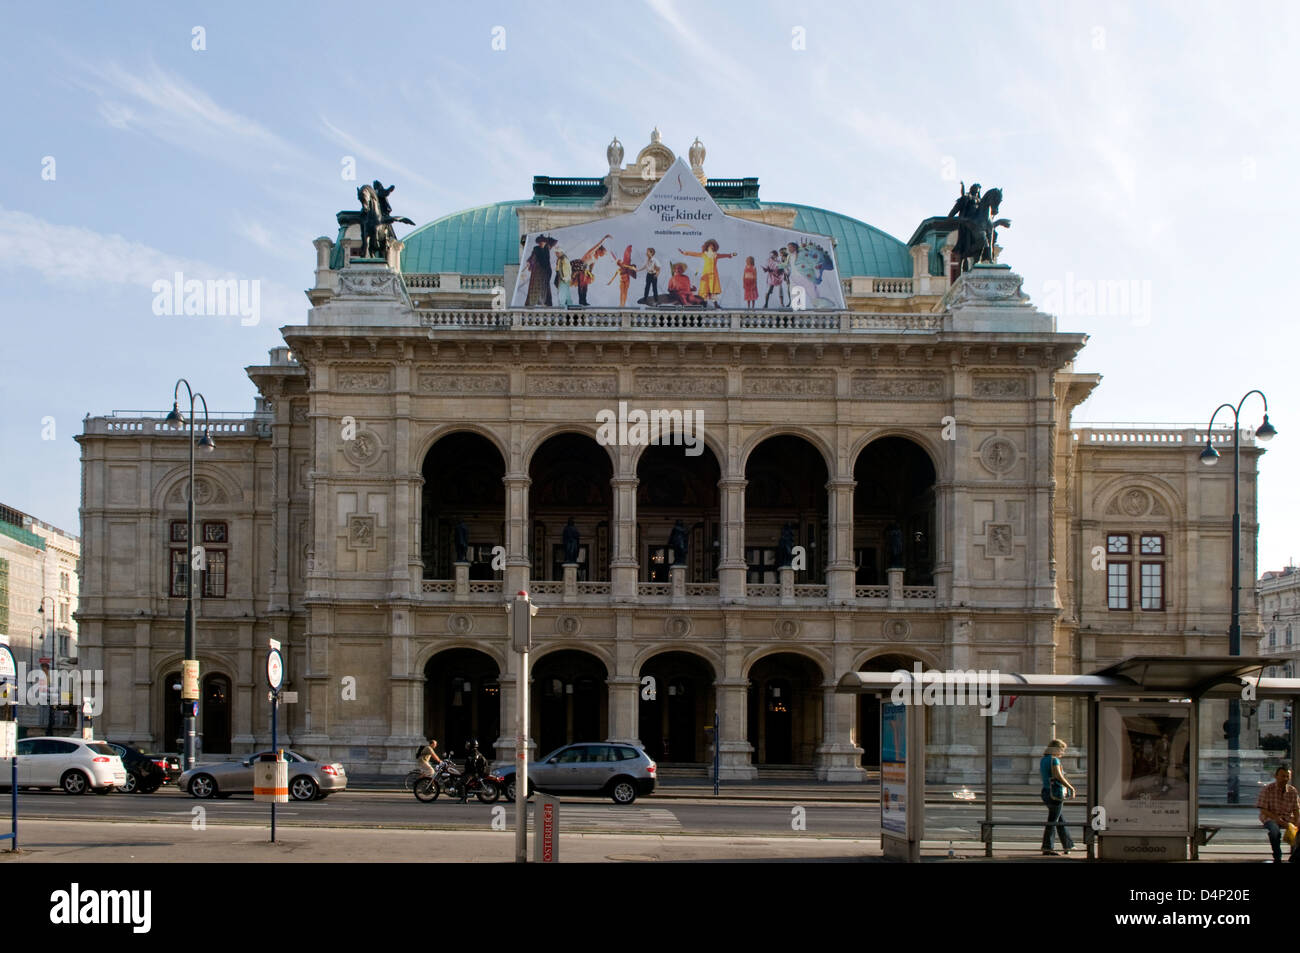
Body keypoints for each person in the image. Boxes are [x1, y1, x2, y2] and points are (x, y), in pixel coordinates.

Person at [1256, 765, 1300, 862]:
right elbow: (1263, 809)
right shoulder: (1268, 789)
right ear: (1276, 776)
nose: (1285, 779)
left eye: (1287, 776)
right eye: (1282, 776)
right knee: (1274, 832)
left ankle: (1295, 856)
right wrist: (1276, 819)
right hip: (1270, 817)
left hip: (1287, 817)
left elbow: (1296, 808)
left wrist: (1297, 820)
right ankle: (1277, 856)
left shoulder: (1292, 791)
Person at [1040, 739, 1076, 855]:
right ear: (1056, 749)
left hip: (1046, 792)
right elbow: (1058, 776)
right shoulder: (1054, 760)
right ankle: (1047, 848)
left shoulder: (1043, 760)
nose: (1063, 752)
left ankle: (1068, 845)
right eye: (1062, 749)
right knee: (1053, 821)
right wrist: (1071, 787)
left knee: (1059, 819)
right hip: (1055, 793)